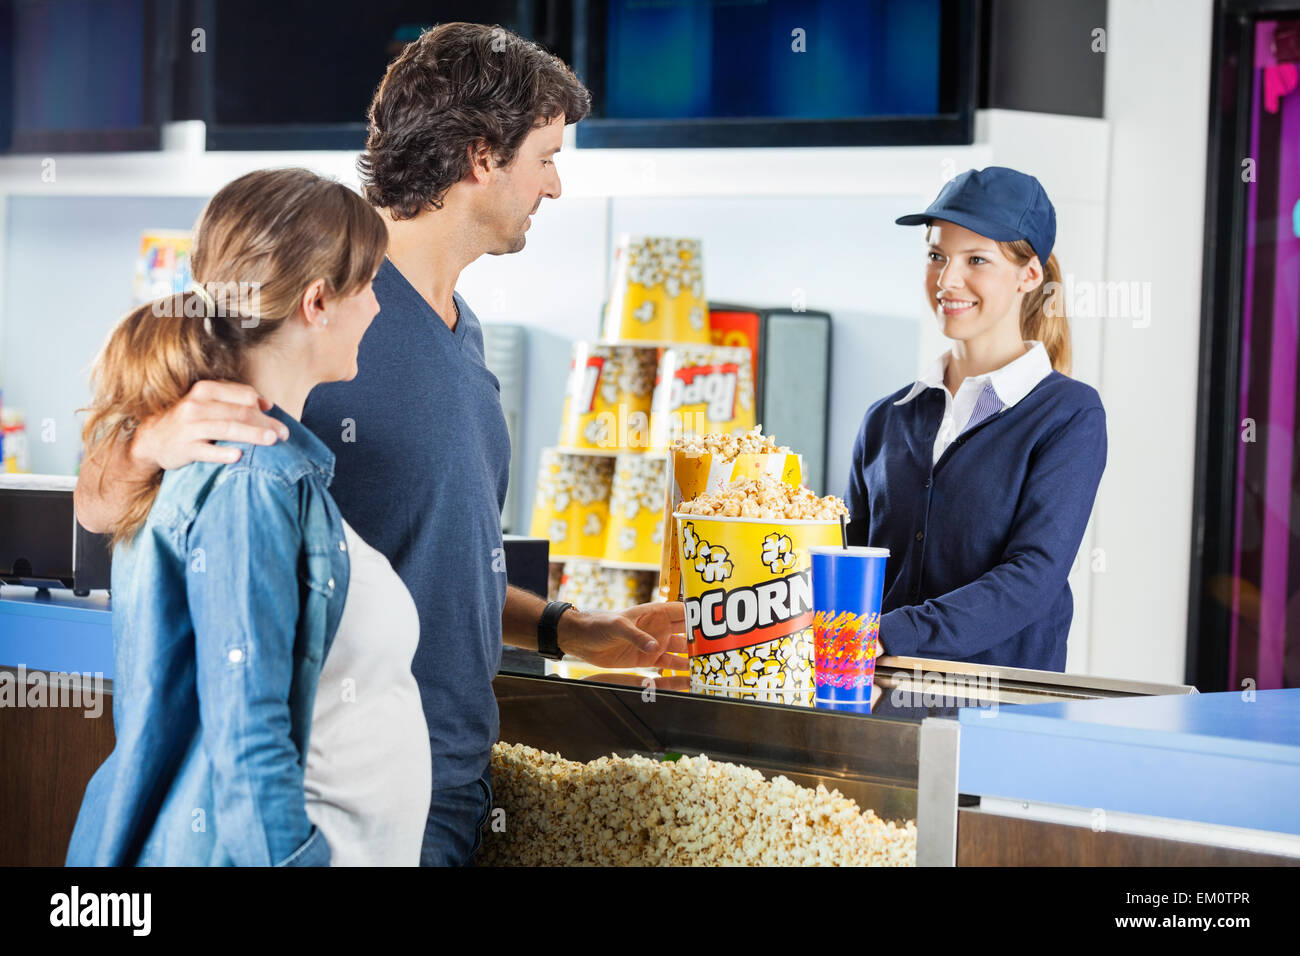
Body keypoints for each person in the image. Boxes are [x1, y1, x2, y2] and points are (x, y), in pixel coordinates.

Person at [73, 23, 688, 867]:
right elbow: (106, 499)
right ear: (481, 157)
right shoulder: (315, 313)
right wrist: (153, 437)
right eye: (546, 156)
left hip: (451, 788)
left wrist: (571, 631)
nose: (556, 185)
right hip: (333, 810)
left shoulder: (463, 336)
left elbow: (434, 556)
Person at [67, 167, 433, 866]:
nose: (378, 311)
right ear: (318, 302)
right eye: (369, 288)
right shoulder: (249, 476)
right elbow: (248, 735)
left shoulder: (252, 456)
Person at [844, 166, 1107, 672]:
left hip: (998, 720)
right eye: (937, 255)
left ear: (1030, 275)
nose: (947, 280)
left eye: (976, 260)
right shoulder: (885, 419)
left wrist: (885, 636)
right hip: (875, 706)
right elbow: (845, 566)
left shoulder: (1069, 416)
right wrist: (710, 616)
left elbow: (1032, 577)